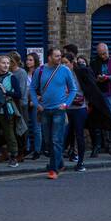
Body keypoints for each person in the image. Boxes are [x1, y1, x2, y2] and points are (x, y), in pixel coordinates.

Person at [33, 47, 76, 178]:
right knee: (48, 141)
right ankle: (60, 162)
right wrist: (36, 104)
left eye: (60, 56)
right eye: (56, 56)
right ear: (49, 57)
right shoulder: (39, 70)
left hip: (59, 110)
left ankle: (53, 169)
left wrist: (66, 104)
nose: (59, 58)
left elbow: (73, 89)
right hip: (45, 110)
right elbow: (32, 89)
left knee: (56, 140)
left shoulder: (65, 70)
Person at [89, 43, 111, 155]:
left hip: (110, 94)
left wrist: (107, 78)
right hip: (98, 94)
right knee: (99, 120)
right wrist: (98, 79)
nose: (103, 56)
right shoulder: (94, 62)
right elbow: (92, 77)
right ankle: (104, 145)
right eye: (100, 54)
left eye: (104, 53)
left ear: (108, 51)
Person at [22, 52, 41, 158]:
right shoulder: (24, 73)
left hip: (35, 102)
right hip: (25, 102)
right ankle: (27, 148)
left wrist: (35, 99)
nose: (28, 62)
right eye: (27, 60)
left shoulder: (39, 73)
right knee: (25, 127)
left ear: (35, 61)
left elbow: (42, 89)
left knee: (36, 127)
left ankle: (37, 150)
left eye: (30, 60)